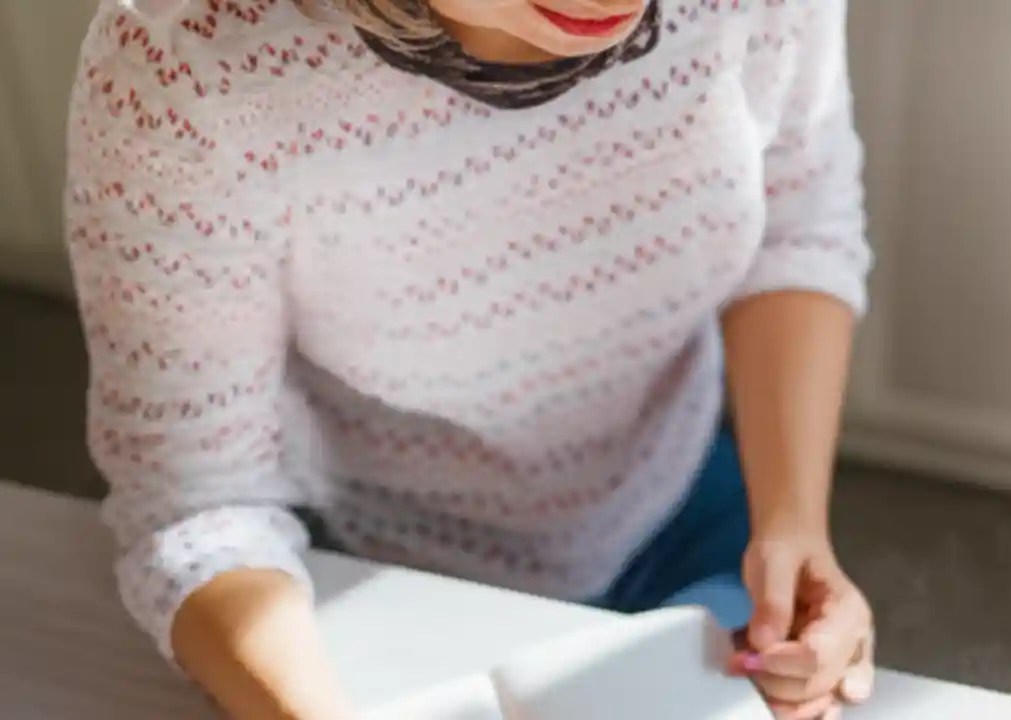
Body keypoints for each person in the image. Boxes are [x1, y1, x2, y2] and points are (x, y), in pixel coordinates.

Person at [65, 0, 876, 717]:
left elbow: (797, 222)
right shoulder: (191, 65)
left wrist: (794, 525)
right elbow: (197, 502)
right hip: (359, 558)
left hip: (681, 498)